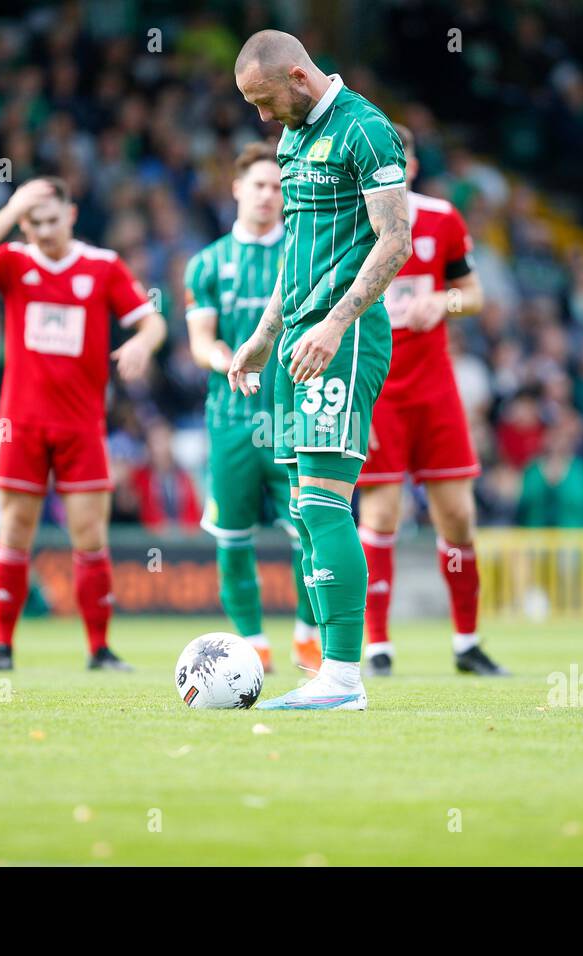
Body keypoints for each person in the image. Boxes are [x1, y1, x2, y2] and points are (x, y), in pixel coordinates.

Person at [228, 30, 412, 710]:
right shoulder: (291, 139)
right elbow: (297, 250)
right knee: (301, 516)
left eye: (263, 99)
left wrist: (335, 324)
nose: (260, 116)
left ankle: (342, 677)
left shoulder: (366, 130)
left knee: (324, 501)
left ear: (298, 77)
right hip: (293, 341)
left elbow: (396, 241)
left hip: (347, 334)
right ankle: (328, 671)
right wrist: (262, 334)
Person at [0, 176, 166, 672]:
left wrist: (140, 344)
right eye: (34, 223)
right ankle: (2, 648)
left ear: (70, 215)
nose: (45, 232)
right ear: (24, 224)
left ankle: (99, 649)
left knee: (90, 536)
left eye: (52, 220)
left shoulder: (102, 266)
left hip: (81, 425)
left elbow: (152, 321)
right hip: (20, 423)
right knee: (15, 531)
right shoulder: (13, 261)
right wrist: (9, 211)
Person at [354, 123, 505, 677]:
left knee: (459, 516)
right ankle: (378, 648)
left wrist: (444, 302)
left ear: (412, 167)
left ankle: (467, 642)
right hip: (376, 386)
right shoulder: (350, 219)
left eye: (402, 160)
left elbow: (475, 295)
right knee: (382, 513)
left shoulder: (441, 219)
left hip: (434, 387)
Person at [184, 140, 322, 675]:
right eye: (260, 185)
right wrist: (229, 363)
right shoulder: (208, 264)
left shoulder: (305, 252)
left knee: (309, 528)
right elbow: (200, 342)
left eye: (279, 187)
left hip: (295, 415)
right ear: (238, 188)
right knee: (233, 537)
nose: (270, 195)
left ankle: (309, 639)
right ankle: (253, 647)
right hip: (232, 420)